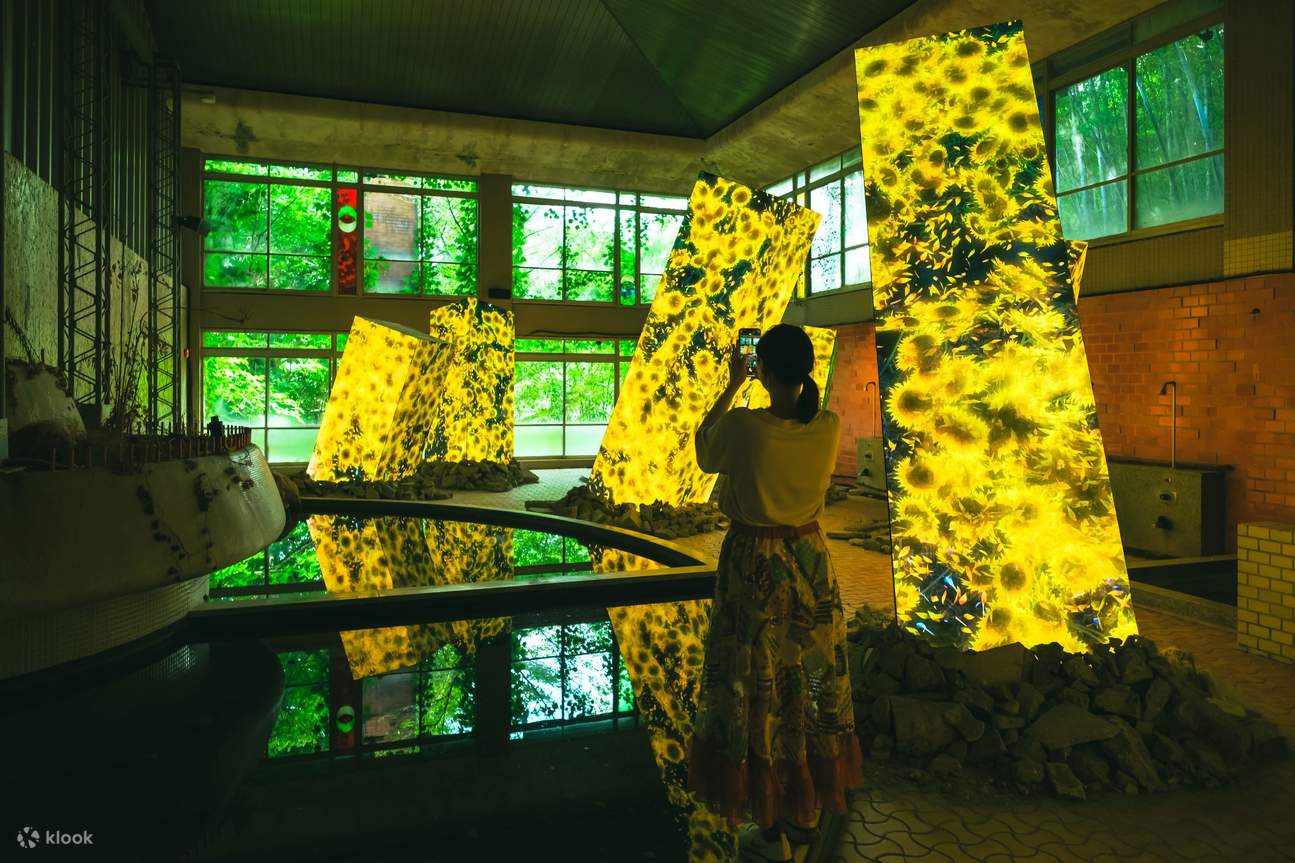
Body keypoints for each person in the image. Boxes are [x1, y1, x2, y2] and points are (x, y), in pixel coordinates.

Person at [687, 323, 864, 862]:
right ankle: (804, 809)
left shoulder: (746, 427)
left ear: (760, 368)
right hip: (810, 562)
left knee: (751, 683)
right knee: (803, 681)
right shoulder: (829, 426)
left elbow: (702, 452)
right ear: (807, 368)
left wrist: (729, 386)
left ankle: (766, 824)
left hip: (754, 564)